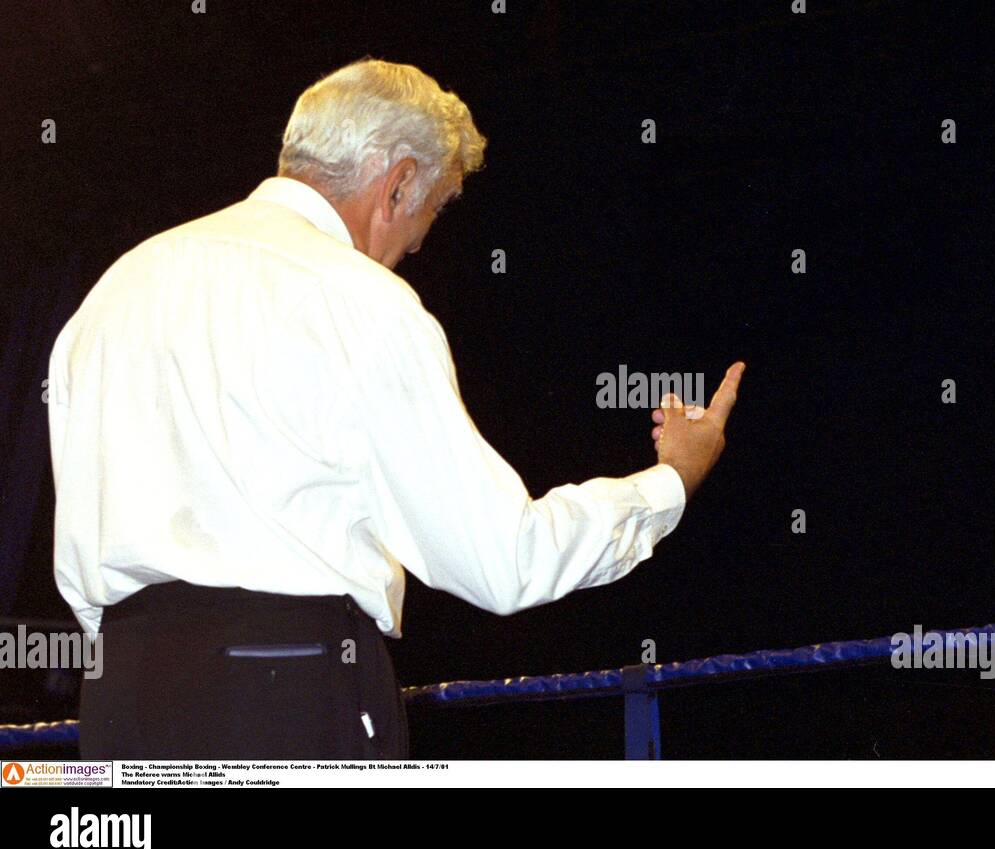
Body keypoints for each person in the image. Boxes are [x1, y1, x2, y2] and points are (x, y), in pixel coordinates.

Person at [47, 58, 744, 759]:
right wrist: (669, 483)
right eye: (433, 208)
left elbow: (79, 539)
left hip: (118, 698)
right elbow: (503, 556)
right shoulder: (358, 300)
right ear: (399, 182)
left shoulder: (115, 289)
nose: (419, 242)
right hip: (286, 685)